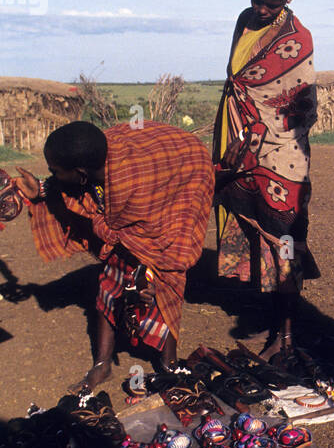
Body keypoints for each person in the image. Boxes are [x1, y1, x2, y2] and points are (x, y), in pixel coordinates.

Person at [16, 119, 214, 392]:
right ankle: (102, 364)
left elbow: (109, 228)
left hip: (183, 182)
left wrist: (45, 191)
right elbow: (97, 212)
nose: (52, 175)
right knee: (109, 285)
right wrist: (42, 188)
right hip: (144, 183)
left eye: (55, 171)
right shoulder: (96, 159)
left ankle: (169, 362)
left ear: (82, 174)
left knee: (162, 284)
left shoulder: (129, 183)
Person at [213, 0, 319, 358]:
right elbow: (237, 78)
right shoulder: (243, 19)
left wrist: (255, 137)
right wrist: (238, 137)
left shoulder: (299, 38)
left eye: (269, 6)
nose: (260, 10)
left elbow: (302, 107)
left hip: (281, 150)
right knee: (256, 230)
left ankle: (288, 335)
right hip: (238, 136)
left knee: (286, 238)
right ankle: (274, 323)